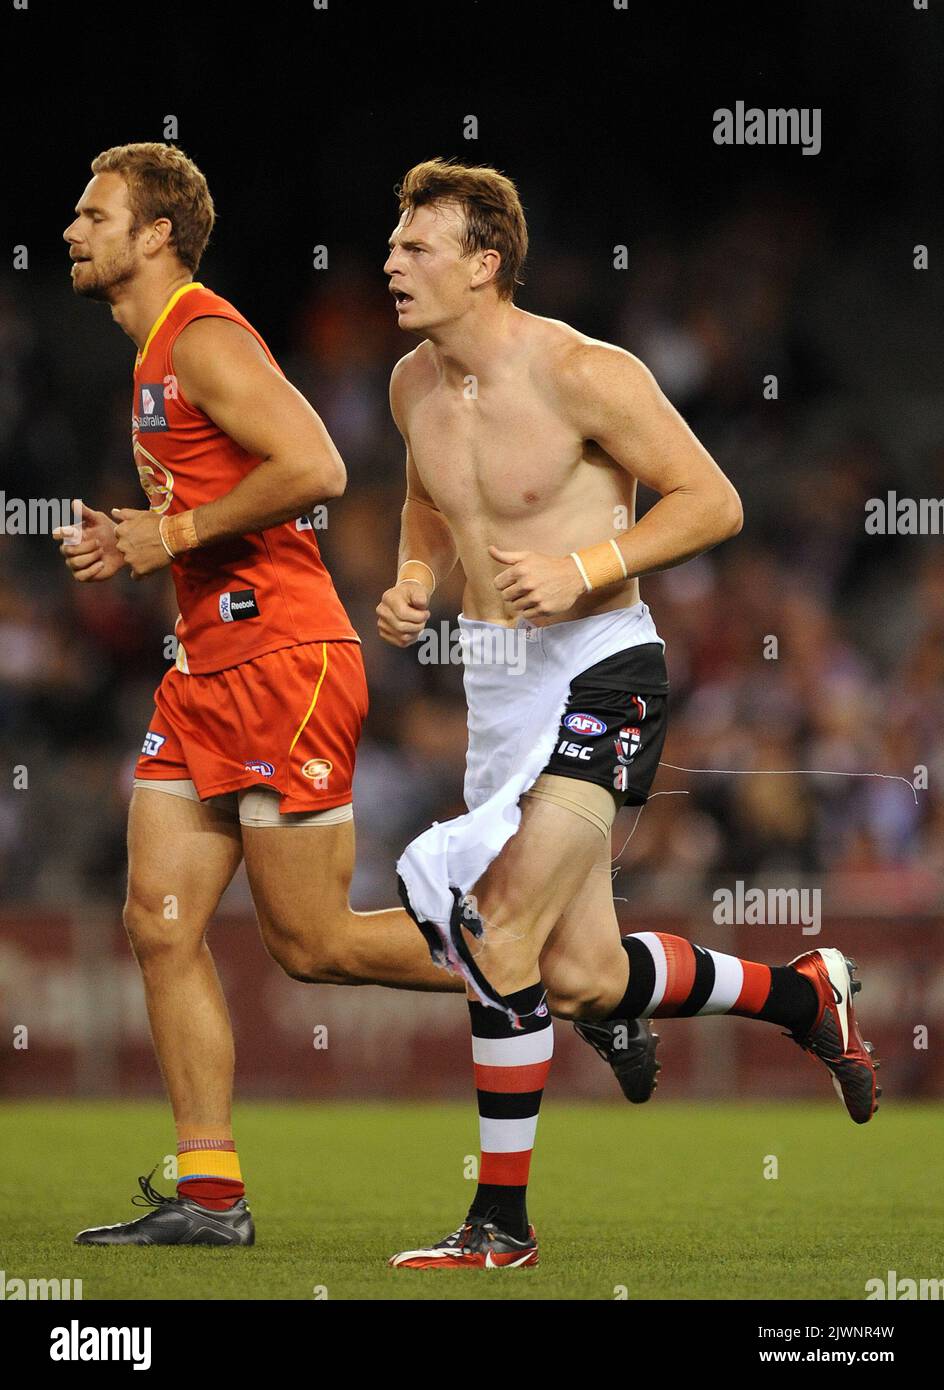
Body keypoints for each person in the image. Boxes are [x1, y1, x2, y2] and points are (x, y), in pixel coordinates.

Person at [56, 144, 657, 1249]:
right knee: (158, 918)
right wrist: (136, 538)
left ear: (154, 236)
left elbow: (320, 468)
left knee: (312, 941)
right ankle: (210, 1193)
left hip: (280, 658)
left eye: (93, 216)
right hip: (201, 664)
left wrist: (169, 534)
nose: (68, 232)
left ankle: (541, 972)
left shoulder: (202, 336)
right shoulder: (152, 353)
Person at [376, 158, 879, 1271]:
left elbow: (714, 498)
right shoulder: (413, 382)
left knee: (494, 924)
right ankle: (803, 998)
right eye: (393, 243)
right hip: (499, 692)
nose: (390, 261)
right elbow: (428, 497)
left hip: (604, 662)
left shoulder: (578, 370)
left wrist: (584, 564)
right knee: (579, 980)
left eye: (416, 247)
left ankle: (499, 1227)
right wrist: (417, 578)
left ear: (484, 262)